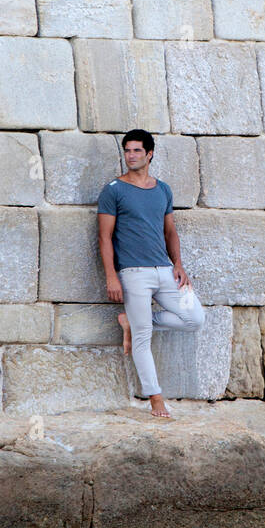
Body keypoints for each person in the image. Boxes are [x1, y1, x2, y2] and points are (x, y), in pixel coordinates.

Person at [96, 129, 205, 418]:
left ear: (149, 154)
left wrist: (178, 264)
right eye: (127, 150)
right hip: (133, 273)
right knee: (142, 339)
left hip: (166, 270)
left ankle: (130, 321)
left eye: (136, 151)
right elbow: (104, 237)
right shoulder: (113, 190)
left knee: (195, 317)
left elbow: (170, 231)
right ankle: (156, 398)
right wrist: (111, 276)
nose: (130, 156)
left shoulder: (163, 189)